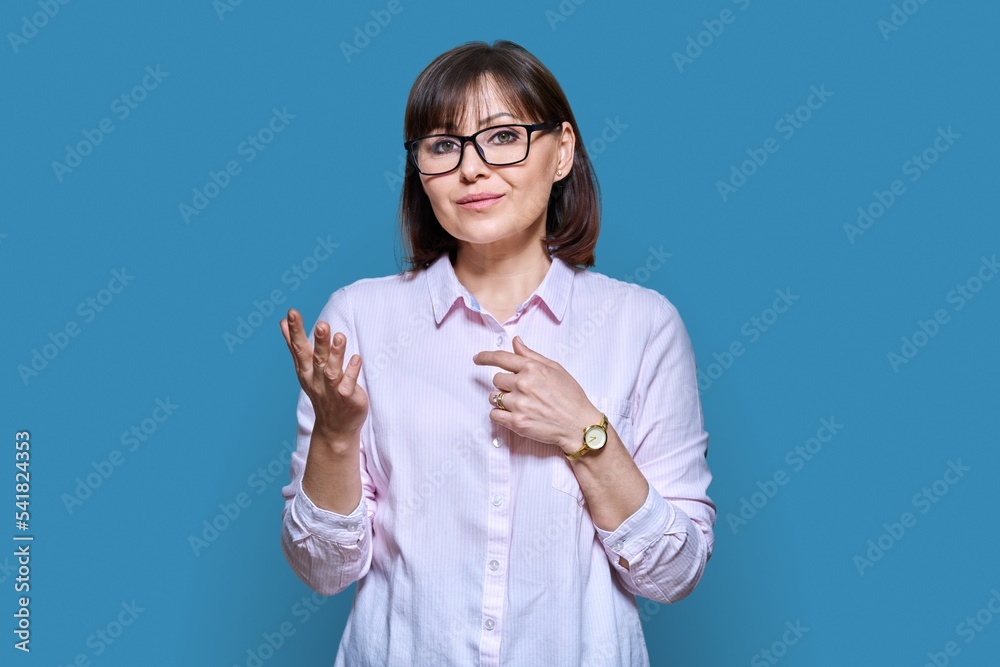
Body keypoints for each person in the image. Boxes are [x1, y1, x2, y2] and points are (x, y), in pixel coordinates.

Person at [279, 39, 715, 667]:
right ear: (419, 169)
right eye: (442, 145)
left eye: (503, 136)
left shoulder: (643, 326)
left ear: (561, 150)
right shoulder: (360, 320)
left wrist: (585, 433)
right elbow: (322, 570)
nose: (472, 169)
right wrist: (337, 436)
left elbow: (674, 576)